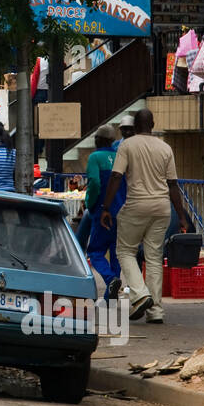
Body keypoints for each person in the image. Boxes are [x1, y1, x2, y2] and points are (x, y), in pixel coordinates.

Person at [100, 108, 190, 323]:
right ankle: (156, 311)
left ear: (135, 125)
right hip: (162, 208)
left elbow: (115, 176)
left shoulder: (127, 145)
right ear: (153, 123)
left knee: (124, 251)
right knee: (154, 258)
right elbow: (173, 184)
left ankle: (140, 294)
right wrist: (182, 216)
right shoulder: (165, 147)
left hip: (136, 206)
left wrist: (106, 208)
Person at [84, 126, 123, 298]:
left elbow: (94, 183)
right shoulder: (120, 157)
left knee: (95, 251)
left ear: (98, 140)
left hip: (102, 211)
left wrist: (89, 203)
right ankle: (110, 297)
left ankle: (110, 278)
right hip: (122, 211)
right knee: (116, 253)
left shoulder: (95, 157)